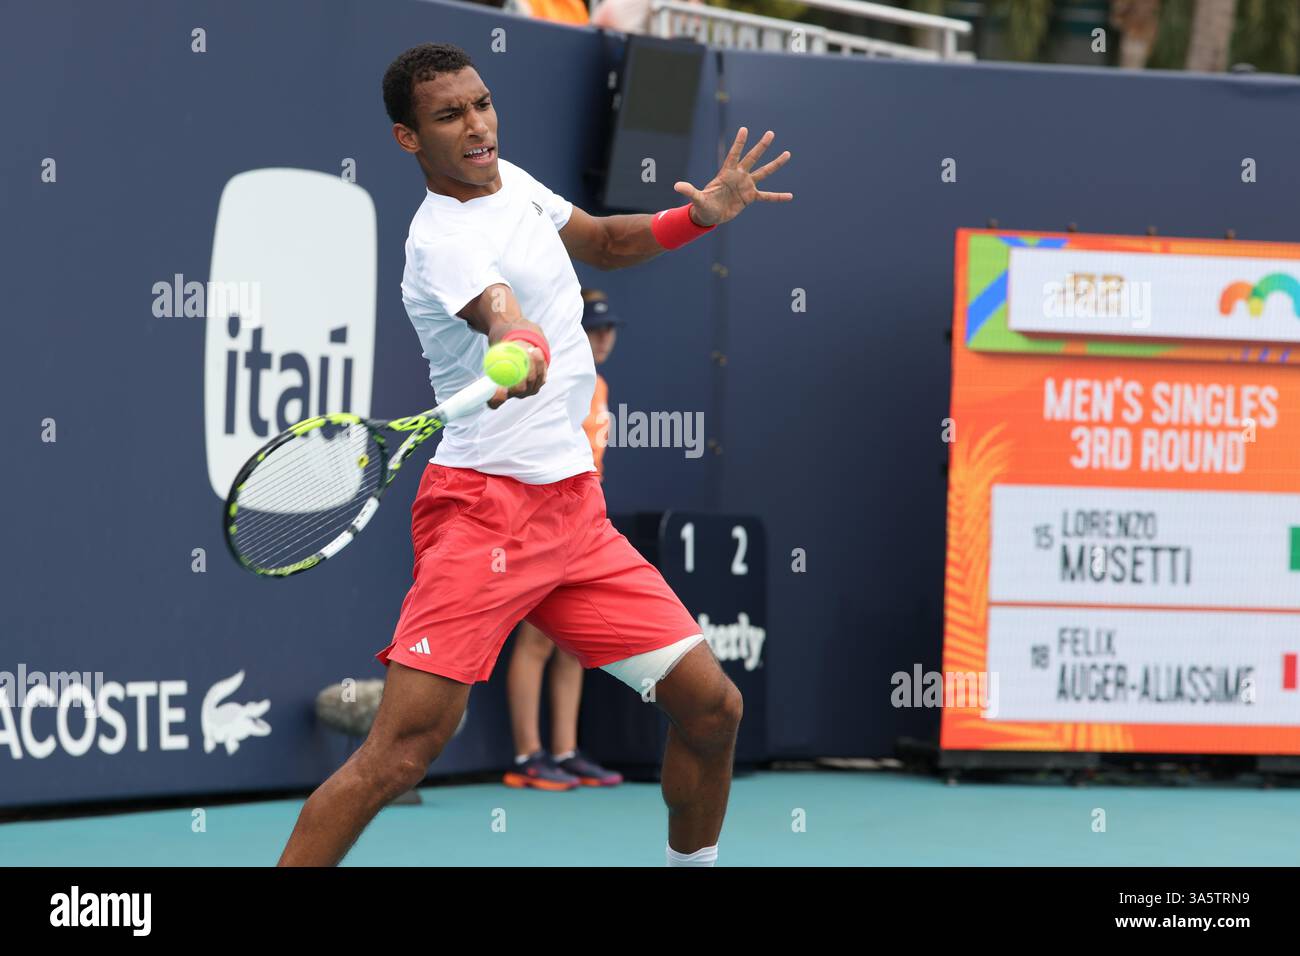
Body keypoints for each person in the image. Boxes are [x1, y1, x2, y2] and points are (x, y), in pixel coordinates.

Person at [276, 42, 792, 868]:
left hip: (574, 515)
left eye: (481, 103)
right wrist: (515, 337)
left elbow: (607, 242)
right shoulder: (439, 240)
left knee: (711, 709)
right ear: (409, 139)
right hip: (485, 511)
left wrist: (698, 215)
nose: (477, 125)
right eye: (450, 115)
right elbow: (498, 308)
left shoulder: (511, 180)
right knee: (401, 753)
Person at [503, 288, 624, 791]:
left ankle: (565, 750)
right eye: (592, 329)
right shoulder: (555, 382)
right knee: (535, 638)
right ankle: (527, 756)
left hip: (581, 518)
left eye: (607, 329)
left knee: (572, 643)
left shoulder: (600, 386)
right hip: (540, 518)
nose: (602, 338)